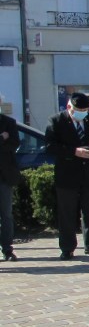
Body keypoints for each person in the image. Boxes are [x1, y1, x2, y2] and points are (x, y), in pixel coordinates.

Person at [45, 93, 89, 259]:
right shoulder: (56, 121)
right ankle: (67, 248)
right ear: (69, 108)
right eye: (78, 110)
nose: (82, 113)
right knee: (67, 212)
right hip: (67, 174)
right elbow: (50, 146)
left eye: (84, 110)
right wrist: (74, 151)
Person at [0, 111, 19, 261]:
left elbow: (14, 144)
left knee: (6, 214)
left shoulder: (9, 122)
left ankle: (7, 249)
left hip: (4, 177)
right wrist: (1, 138)